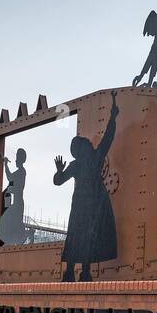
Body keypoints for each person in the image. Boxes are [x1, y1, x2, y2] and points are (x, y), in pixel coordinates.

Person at [54, 91, 120, 281]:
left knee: (77, 234)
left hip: (81, 204)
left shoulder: (78, 164)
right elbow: (108, 137)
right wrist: (113, 118)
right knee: (87, 235)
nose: (90, 144)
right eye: (86, 143)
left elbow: (58, 181)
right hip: (92, 204)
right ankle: (82, 272)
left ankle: (73, 272)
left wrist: (59, 171)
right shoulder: (94, 159)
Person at [0, 148, 29, 245]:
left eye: (17, 158)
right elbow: (11, 179)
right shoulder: (21, 171)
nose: (15, 160)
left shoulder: (21, 171)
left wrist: (6, 164)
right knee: (11, 222)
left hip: (18, 203)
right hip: (18, 202)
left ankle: (27, 234)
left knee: (5, 220)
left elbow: (10, 177)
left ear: (21, 160)